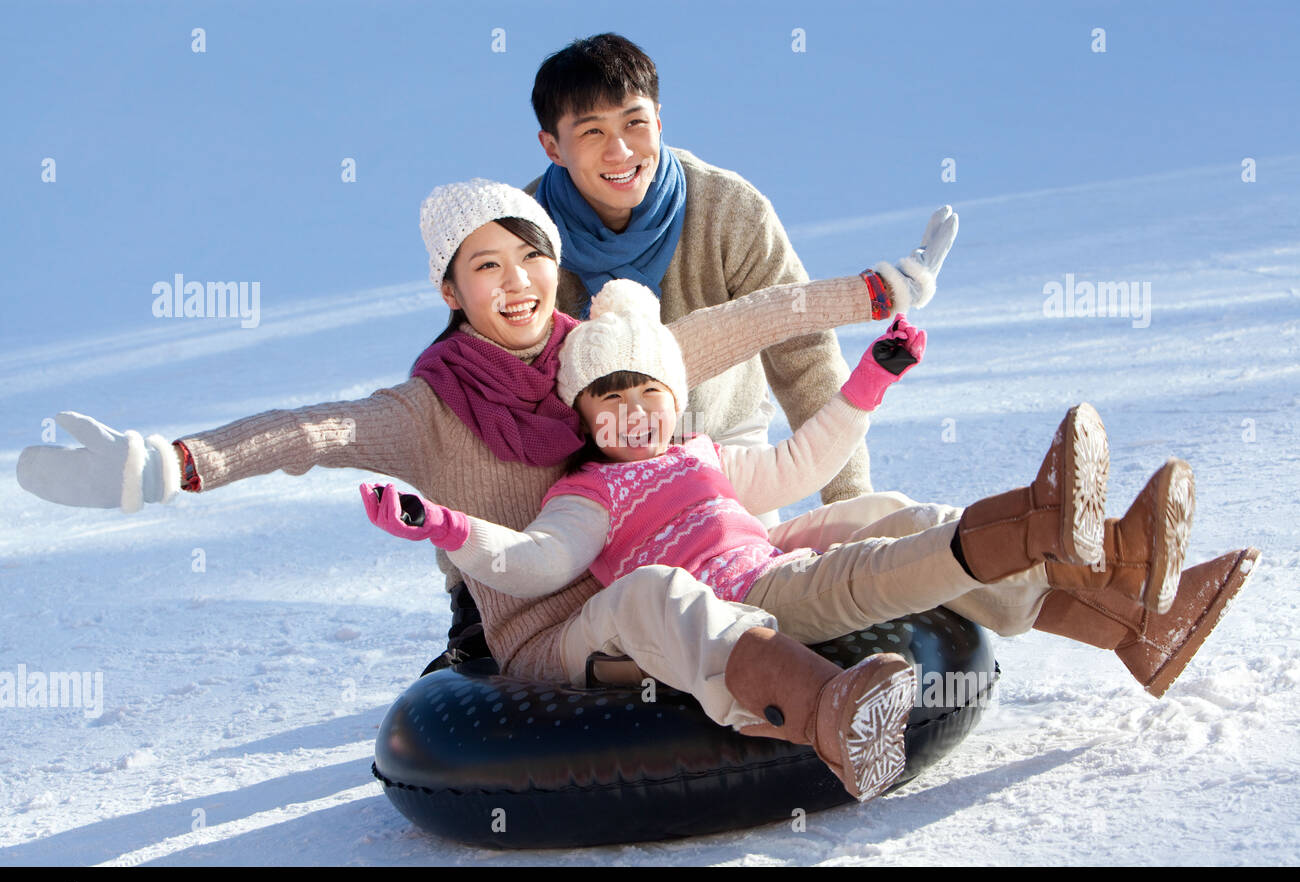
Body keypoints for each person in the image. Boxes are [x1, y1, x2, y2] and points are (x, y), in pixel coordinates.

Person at [15, 179, 954, 693]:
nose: (518, 282)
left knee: (856, 524)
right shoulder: (427, 407)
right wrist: (170, 464)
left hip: (688, 564)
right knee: (657, 601)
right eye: (486, 265)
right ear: (449, 289)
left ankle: (1022, 568)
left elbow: (746, 320)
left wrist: (878, 292)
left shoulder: (599, 352)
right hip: (552, 623)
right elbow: (308, 432)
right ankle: (820, 703)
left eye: (533, 255)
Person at [361, 277, 1259, 799]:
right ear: (585, 415)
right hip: (740, 603)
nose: (633, 416)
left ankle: (1133, 614)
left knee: (883, 512)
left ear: (675, 401)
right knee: (823, 578)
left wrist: (872, 376)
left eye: (646, 396)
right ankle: (843, 707)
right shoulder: (589, 493)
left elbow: (802, 461)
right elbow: (538, 562)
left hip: (771, 560)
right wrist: (449, 528)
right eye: (609, 401)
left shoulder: (702, 459)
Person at [430, 33, 948, 670]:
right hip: (593, 491)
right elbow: (476, 397)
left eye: (635, 123)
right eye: (591, 132)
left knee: (794, 570)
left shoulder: (729, 211)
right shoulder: (521, 242)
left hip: (719, 463)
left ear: (659, 119)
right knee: (653, 610)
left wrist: (844, 508)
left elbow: (803, 357)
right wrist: (473, 595)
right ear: (551, 145)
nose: (620, 151)